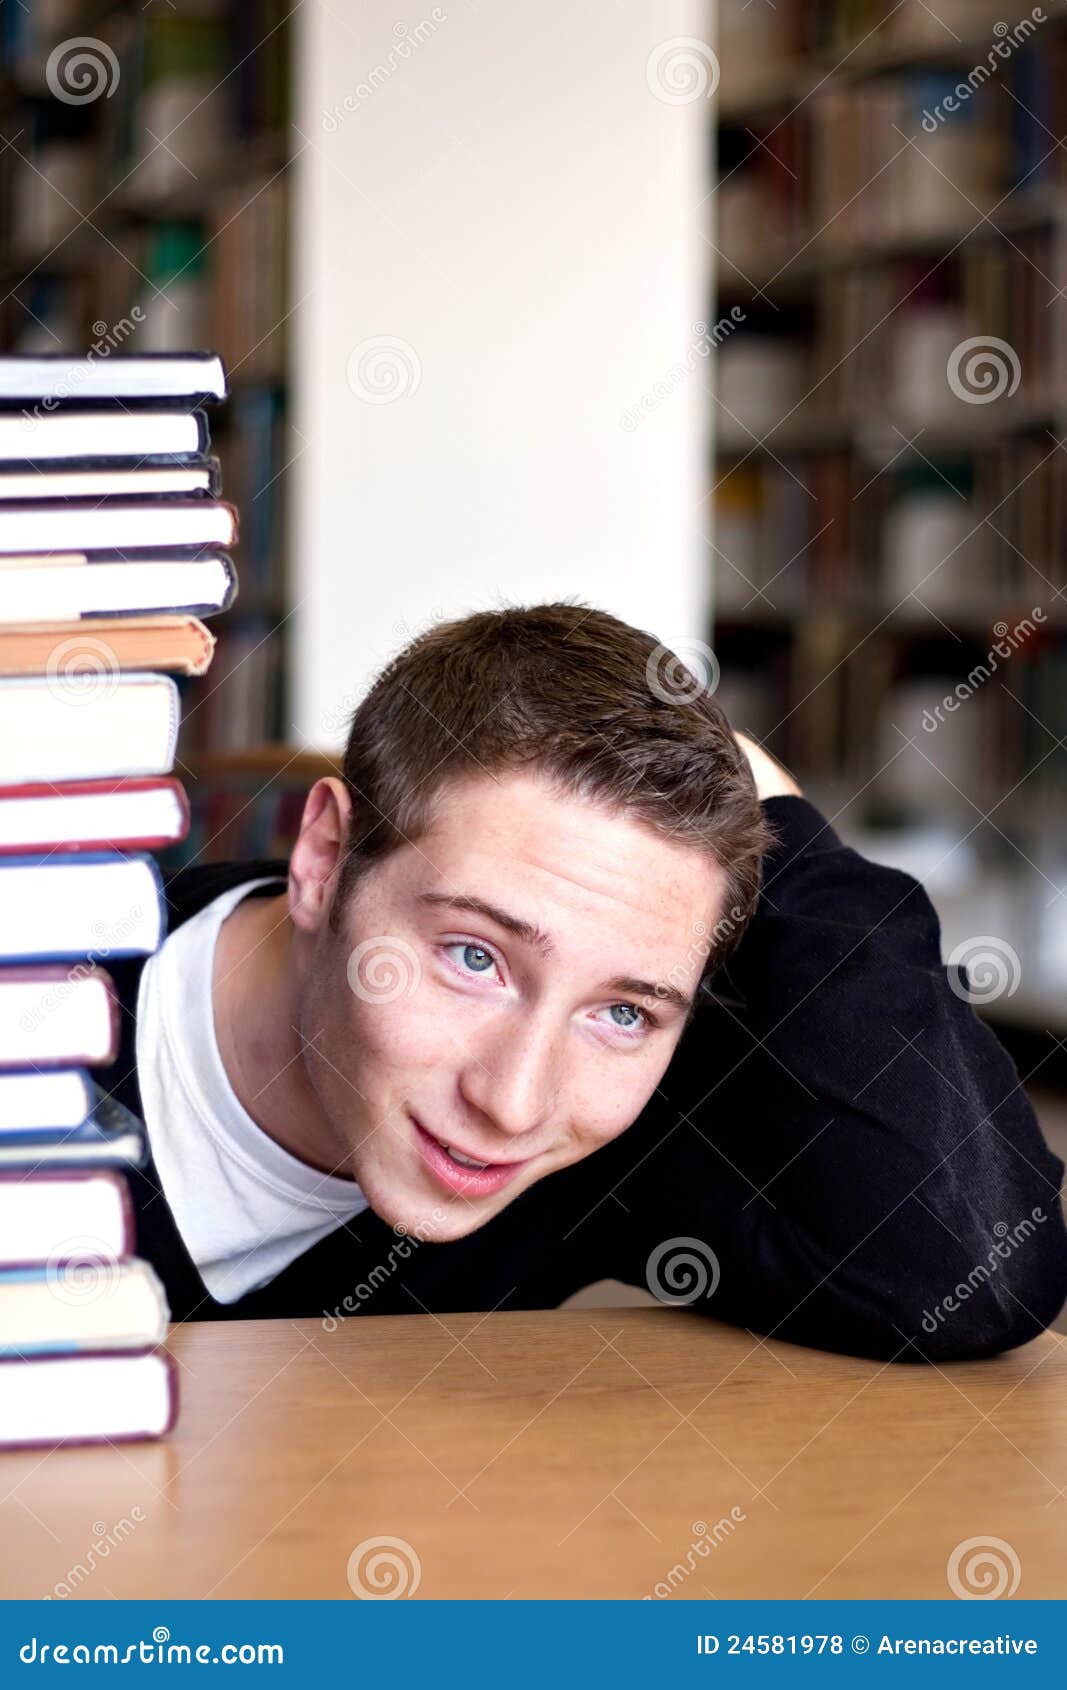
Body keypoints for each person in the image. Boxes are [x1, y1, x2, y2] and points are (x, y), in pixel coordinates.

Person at [108, 603, 1067, 1360]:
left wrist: (793, 843)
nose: (514, 1105)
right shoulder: (62, 1010)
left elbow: (975, 1270)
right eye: (474, 957)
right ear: (324, 859)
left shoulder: (614, 1132)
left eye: (623, 1010)